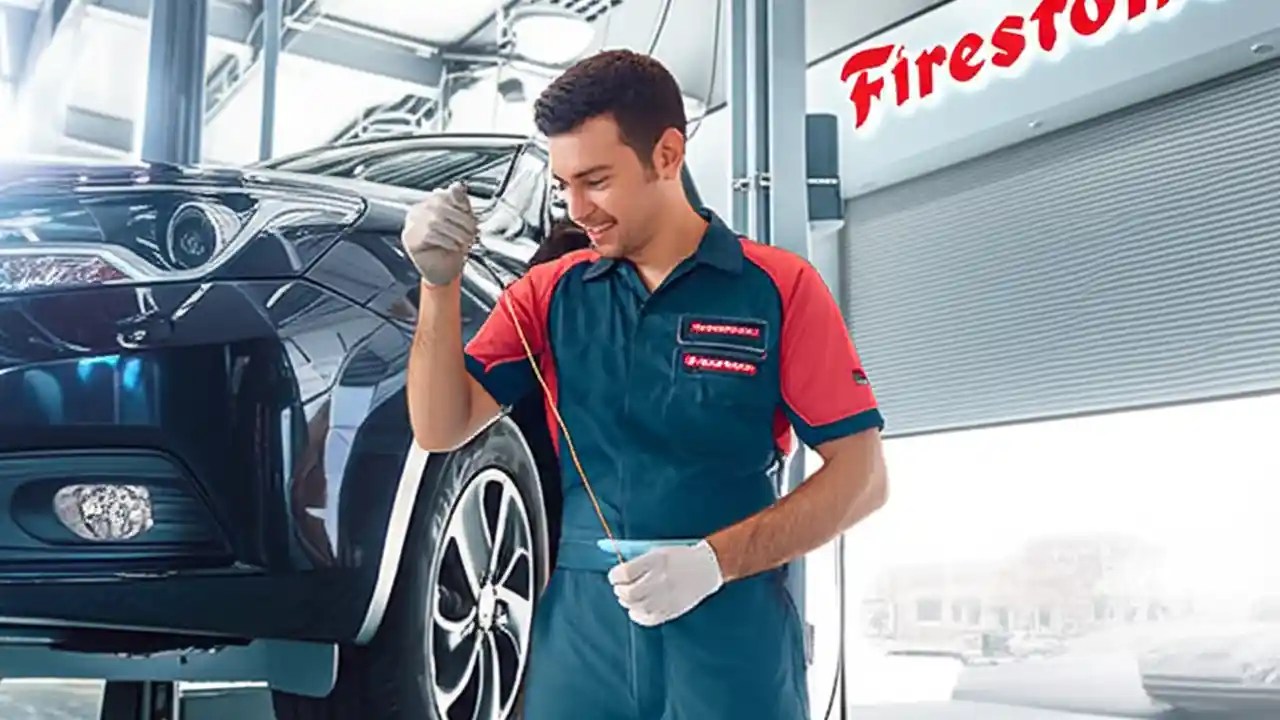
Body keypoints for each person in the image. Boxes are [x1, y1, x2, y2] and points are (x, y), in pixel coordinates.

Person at [401, 49, 889, 720]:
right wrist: (438, 282)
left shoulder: (778, 289)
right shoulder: (547, 295)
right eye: (564, 184)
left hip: (731, 631)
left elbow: (863, 476)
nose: (577, 211)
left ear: (666, 155)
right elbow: (440, 425)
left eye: (596, 181)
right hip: (582, 635)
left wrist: (712, 563)